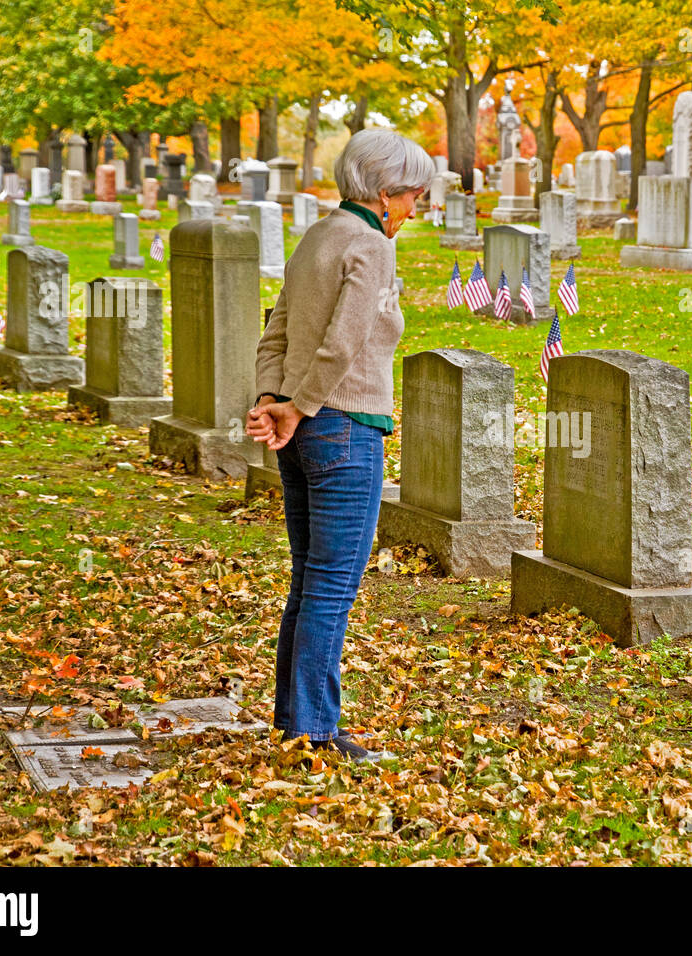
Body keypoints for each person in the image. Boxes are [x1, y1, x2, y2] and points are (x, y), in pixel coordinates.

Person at [248, 129, 433, 761]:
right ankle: (315, 732)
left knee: (309, 579)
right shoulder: (370, 246)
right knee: (331, 586)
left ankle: (295, 718)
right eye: (414, 195)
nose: (417, 208)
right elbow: (343, 343)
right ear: (385, 194)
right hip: (345, 426)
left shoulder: (318, 236)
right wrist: (296, 407)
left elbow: (276, 330)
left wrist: (271, 401)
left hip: (302, 428)